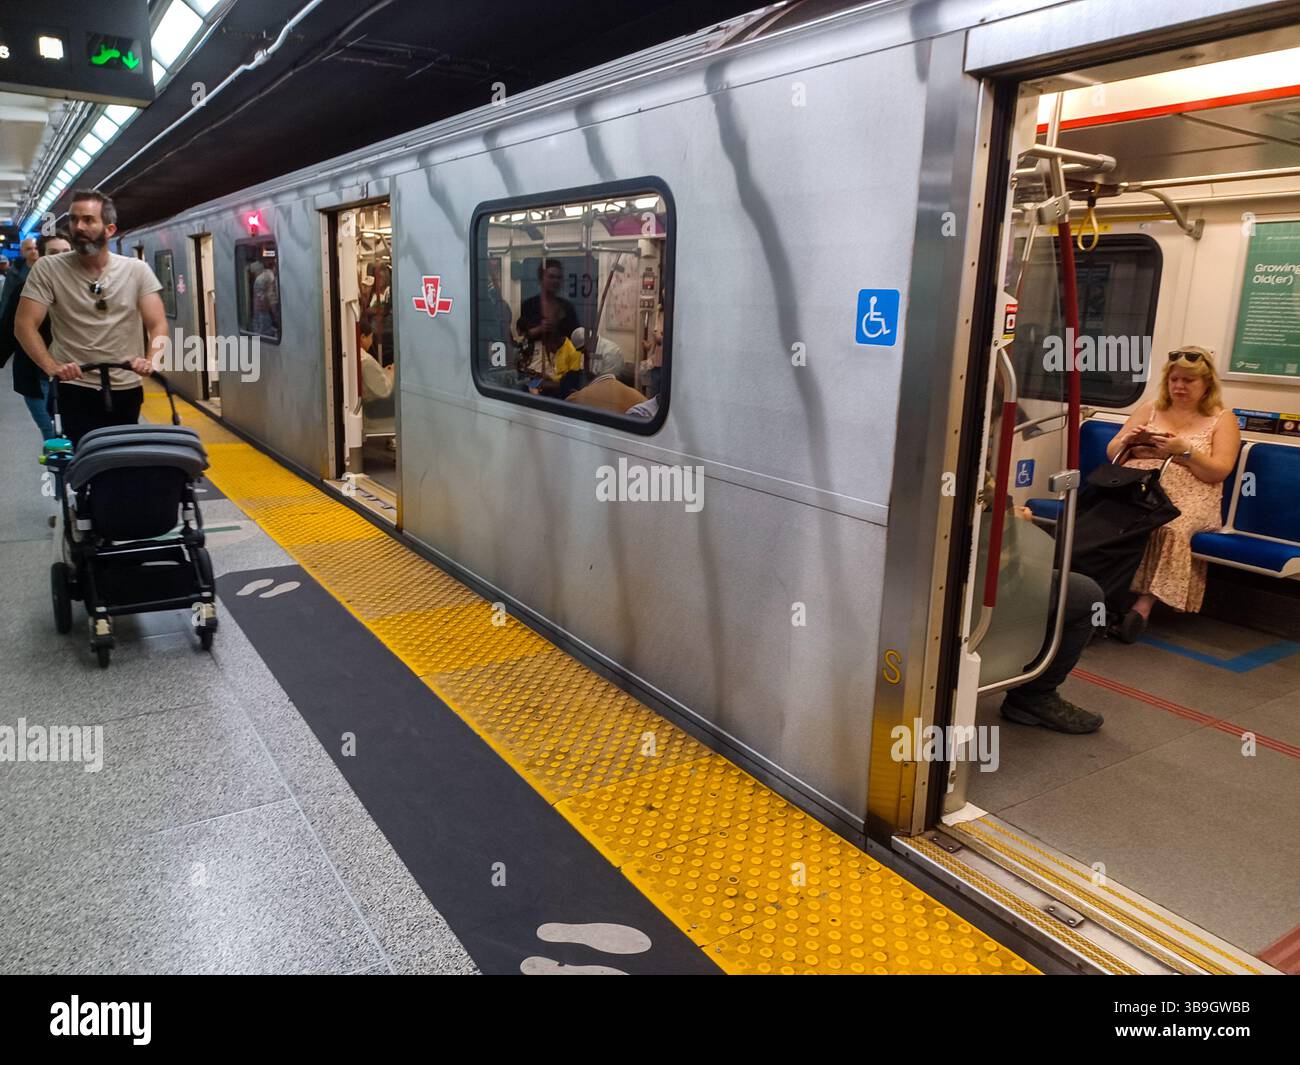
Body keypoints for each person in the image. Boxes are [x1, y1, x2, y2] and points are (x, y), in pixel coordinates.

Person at [1104, 347, 1240, 641]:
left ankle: (1142, 605)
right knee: (1108, 515)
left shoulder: (1223, 419)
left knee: (1170, 526)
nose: (1179, 387)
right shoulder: (1150, 408)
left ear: (1206, 385)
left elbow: (1218, 471)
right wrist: (1127, 442)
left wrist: (1185, 452)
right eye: (1174, 379)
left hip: (1193, 495)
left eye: (1188, 381)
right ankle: (1103, 589)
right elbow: (1113, 453)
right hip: (1140, 487)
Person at [14, 189, 164, 448]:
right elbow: (24, 325)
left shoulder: (136, 270)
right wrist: (51, 366)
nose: (78, 227)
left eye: (88, 220)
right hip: (73, 388)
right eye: (73, 220)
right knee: (85, 465)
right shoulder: (48, 269)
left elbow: (157, 323)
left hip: (125, 387)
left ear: (110, 229)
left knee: (123, 462)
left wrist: (153, 361)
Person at [0, 232, 73, 441]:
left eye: (66, 252)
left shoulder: (84, 290)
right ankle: (60, 474)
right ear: (40, 257)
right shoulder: (26, 290)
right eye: (53, 253)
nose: (60, 258)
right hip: (36, 377)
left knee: (77, 436)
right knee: (54, 439)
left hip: (77, 377)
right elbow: (7, 332)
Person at [567, 334, 643, 414]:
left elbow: (607, 382)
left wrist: (583, 393)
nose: (583, 353)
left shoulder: (611, 351)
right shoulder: (591, 351)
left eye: (583, 350)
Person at [517, 259, 579, 353]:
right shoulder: (529, 305)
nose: (555, 281)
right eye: (551, 277)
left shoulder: (567, 307)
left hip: (562, 360)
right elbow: (521, 337)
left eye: (558, 278)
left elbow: (575, 336)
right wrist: (540, 329)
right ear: (541, 279)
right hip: (535, 360)